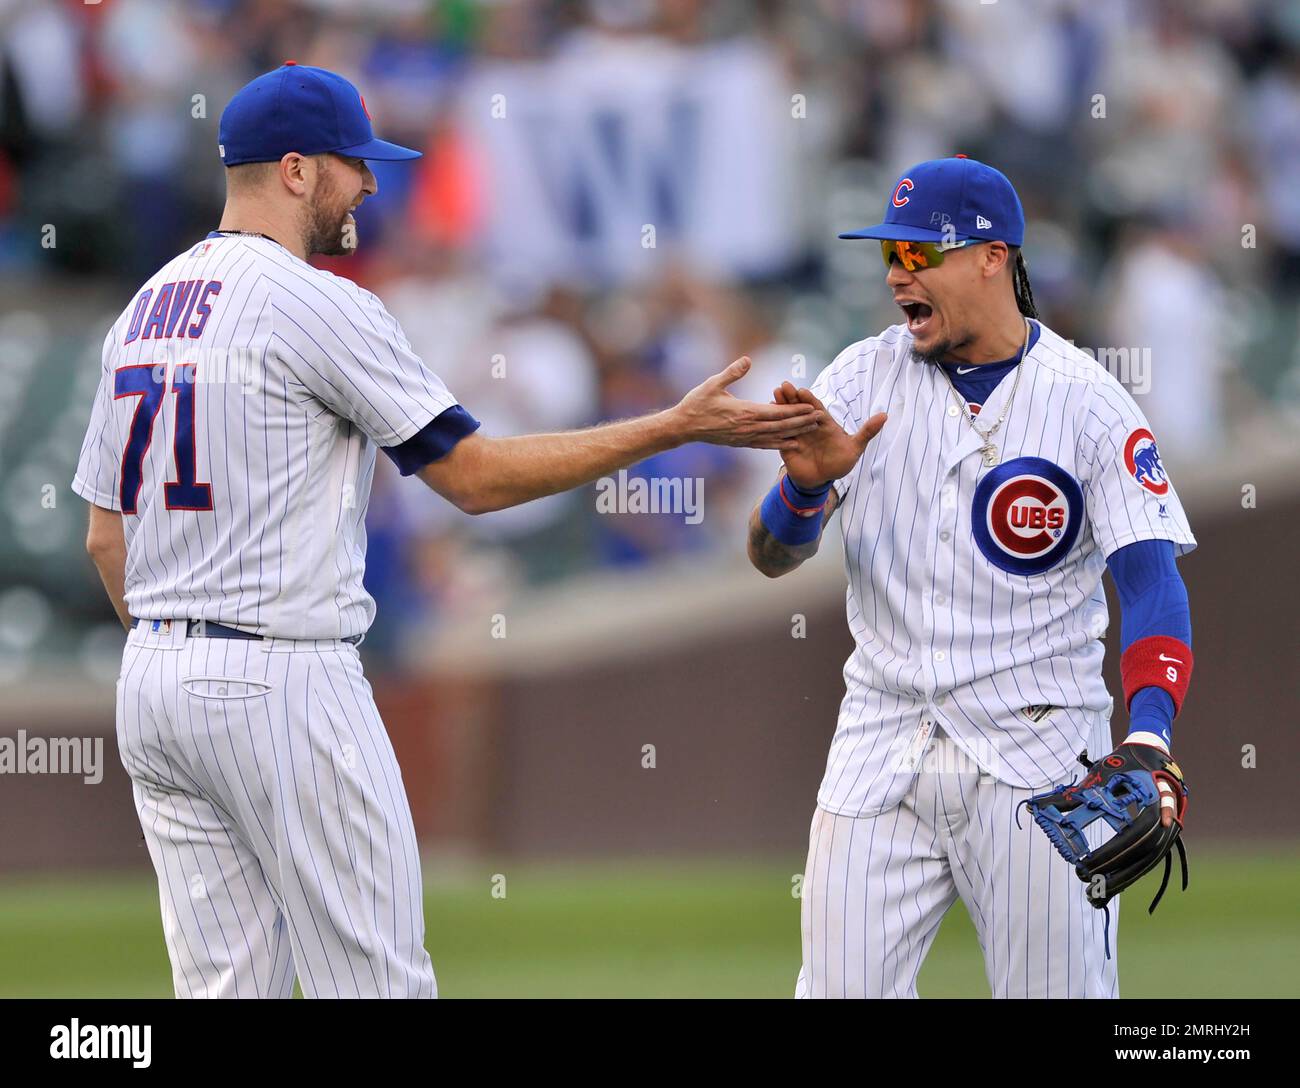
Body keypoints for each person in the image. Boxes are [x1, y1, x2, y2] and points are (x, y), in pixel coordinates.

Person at [72, 63, 821, 999]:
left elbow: (108, 540)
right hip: (282, 673)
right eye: (356, 163)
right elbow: (471, 479)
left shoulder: (142, 310)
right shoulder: (317, 302)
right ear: (297, 170)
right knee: (380, 985)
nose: (372, 185)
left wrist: (176, 647)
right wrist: (668, 426)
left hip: (152, 677)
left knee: (226, 991)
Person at [746, 156, 1195, 998]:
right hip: (881, 740)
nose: (895, 274)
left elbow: (1151, 582)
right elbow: (772, 555)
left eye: (919, 255)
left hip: (1039, 753)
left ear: (994, 257)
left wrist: (1150, 733)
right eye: (890, 255)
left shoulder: (1089, 401)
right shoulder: (858, 378)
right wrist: (804, 490)